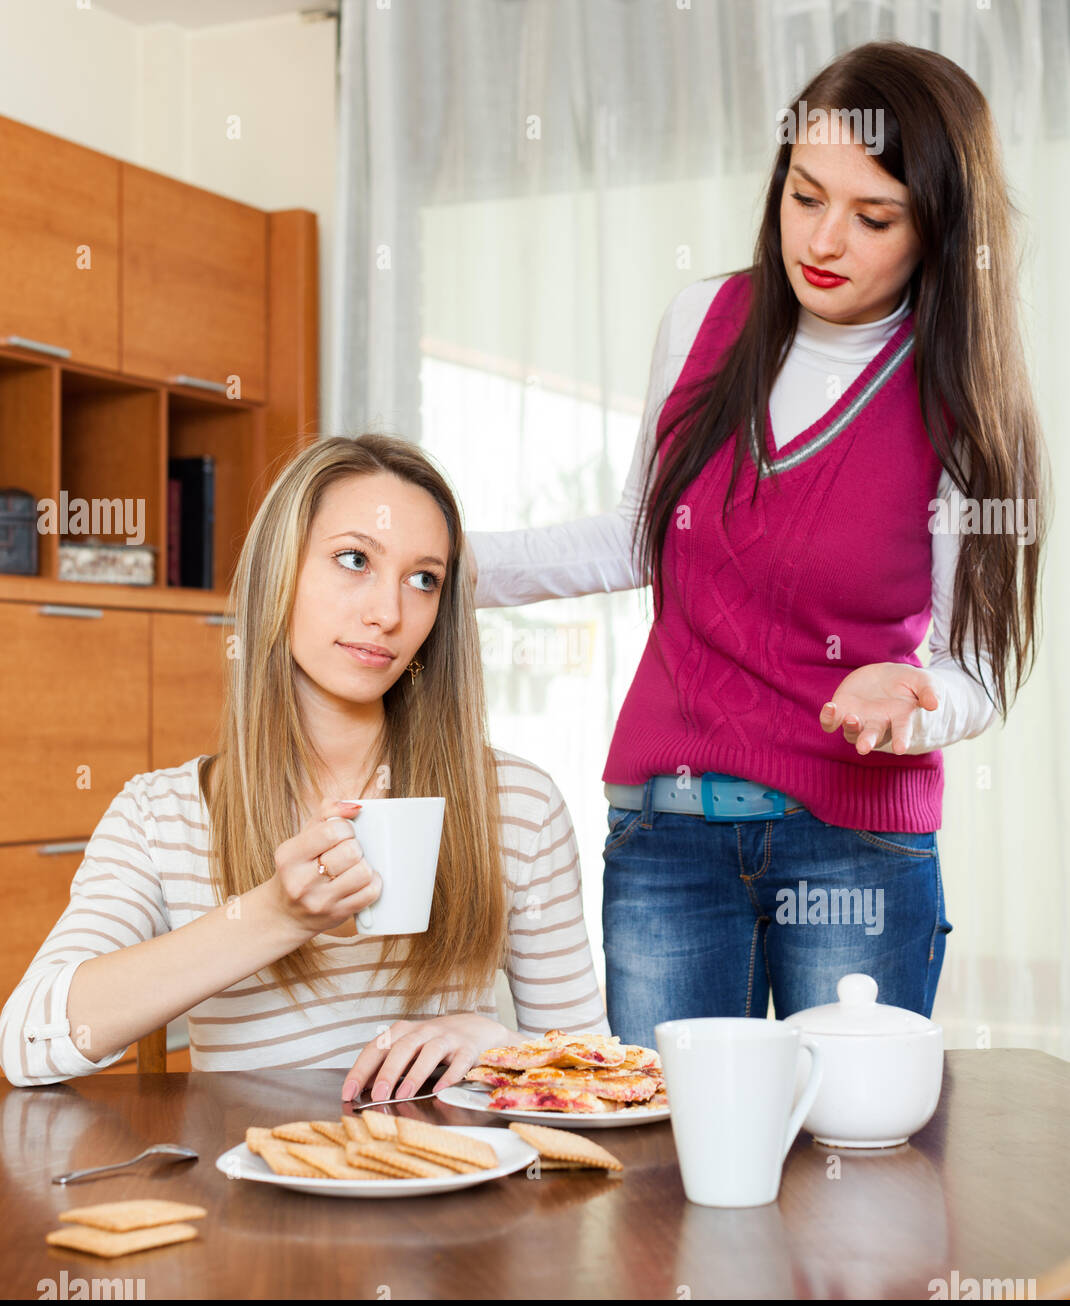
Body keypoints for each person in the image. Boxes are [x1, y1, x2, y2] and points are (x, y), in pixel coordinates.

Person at [466, 42, 1049, 1048]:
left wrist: (905, 707)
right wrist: (438, 564)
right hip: (668, 833)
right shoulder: (703, 321)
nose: (821, 239)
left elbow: (975, 670)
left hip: (856, 845)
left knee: (851, 1166)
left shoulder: (961, 404)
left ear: (938, 231)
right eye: (802, 194)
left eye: (872, 218)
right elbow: (633, 536)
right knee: (669, 1169)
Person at [0, 434, 610, 1094]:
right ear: (279, 570)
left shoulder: (516, 802)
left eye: (423, 579)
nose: (387, 613)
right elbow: (28, 1046)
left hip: (456, 1186)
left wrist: (501, 1047)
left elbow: (594, 1078)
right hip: (252, 1188)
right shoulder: (163, 814)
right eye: (354, 560)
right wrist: (274, 917)